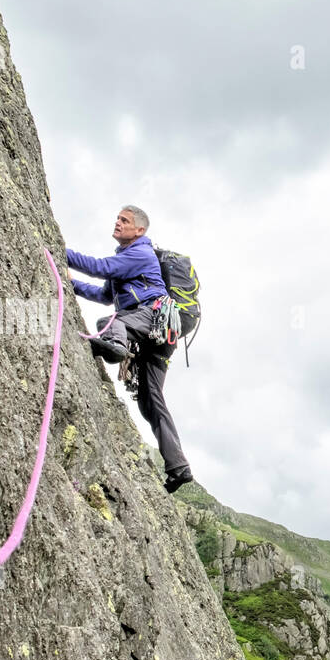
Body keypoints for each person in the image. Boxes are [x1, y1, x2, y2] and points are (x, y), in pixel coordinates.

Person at [66, 205, 194, 493]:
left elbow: (100, 268)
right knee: (150, 399)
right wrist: (72, 285)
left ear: (140, 230)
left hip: (153, 317)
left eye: (125, 220)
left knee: (109, 322)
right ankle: (178, 467)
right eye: (117, 219)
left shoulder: (140, 253)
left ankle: (115, 347)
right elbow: (103, 294)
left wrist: (59, 250)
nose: (118, 223)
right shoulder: (123, 260)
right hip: (158, 332)